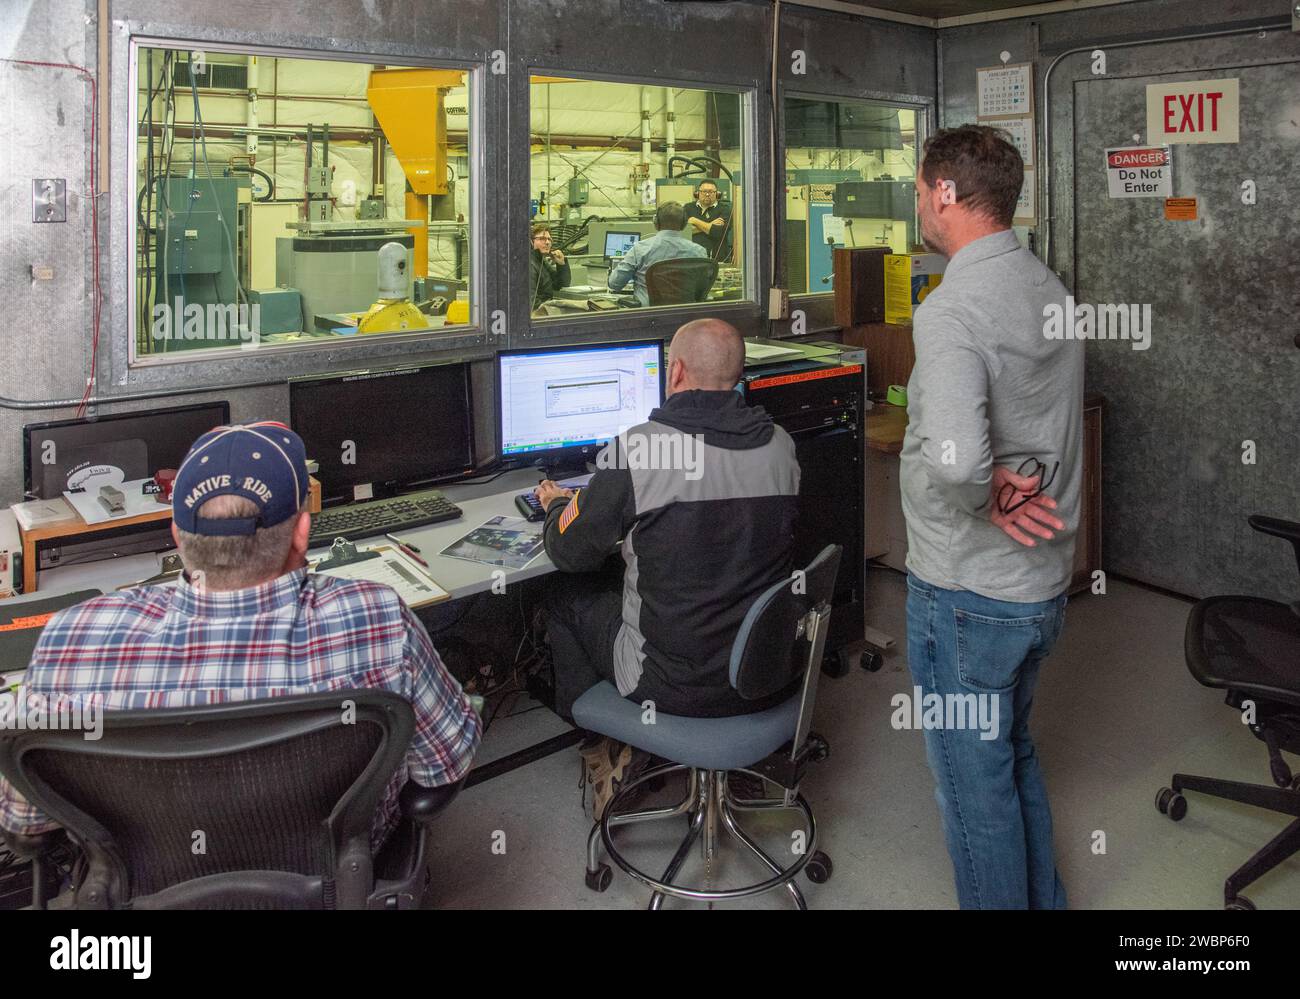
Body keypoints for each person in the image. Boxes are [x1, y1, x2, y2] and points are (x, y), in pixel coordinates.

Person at [0, 422, 481, 855]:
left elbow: (26, 825)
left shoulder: (72, 640)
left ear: (176, 534)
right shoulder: (378, 618)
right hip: (334, 877)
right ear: (301, 533)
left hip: (146, 886)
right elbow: (442, 769)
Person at [901, 124, 1082, 909]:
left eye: (918, 190)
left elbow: (954, 459)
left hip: (967, 594)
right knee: (1012, 759)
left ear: (943, 193)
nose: (917, 204)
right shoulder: (1049, 289)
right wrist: (999, 480)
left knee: (974, 798)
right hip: (1040, 585)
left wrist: (982, 490)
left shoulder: (952, 310)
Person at [534, 319, 799, 818]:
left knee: (564, 593)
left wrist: (555, 506)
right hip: (767, 671)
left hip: (668, 685)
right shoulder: (781, 445)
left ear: (674, 371)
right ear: (739, 374)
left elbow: (568, 552)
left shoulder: (638, 450)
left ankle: (601, 749)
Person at [607, 202, 707, 307]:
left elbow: (614, 284)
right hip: (686, 316)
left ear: (656, 222)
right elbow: (702, 289)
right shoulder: (699, 252)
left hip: (649, 317)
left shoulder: (640, 249)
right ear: (684, 224)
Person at [683, 179, 732, 261]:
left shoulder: (725, 209)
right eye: (703, 191)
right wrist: (710, 225)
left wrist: (695, 221)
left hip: (718, 259)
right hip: (691, 258)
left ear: (717, 194)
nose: (707, 194)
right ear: (697, 193)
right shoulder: (688, 208)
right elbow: (684, 232)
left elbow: (717, 232)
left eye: (711, 191)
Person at [529, 223, 571, 310]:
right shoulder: (529, 264)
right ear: (531, 241)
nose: (547, 242)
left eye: (549, 239)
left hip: (545, 308)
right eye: (542, 239)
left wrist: (561, 264)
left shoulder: (541, 261)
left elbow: (561, 285)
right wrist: (553, 309)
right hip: (538, 313)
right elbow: (531, 302)